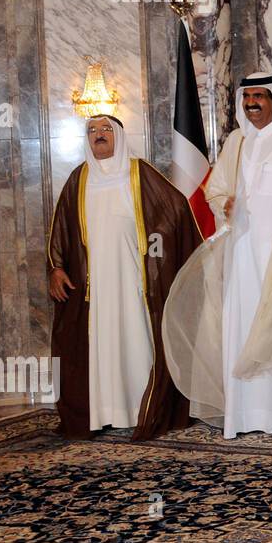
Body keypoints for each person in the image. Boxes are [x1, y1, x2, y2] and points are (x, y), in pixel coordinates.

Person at [163, 72, 272, 440]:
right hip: (241, 253)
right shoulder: (236, 142)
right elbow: (216, 192)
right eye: (247, 97)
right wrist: (226, 203)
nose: (253, 103)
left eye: (260, 96)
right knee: (243, 325)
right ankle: (247, 414)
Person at [48, 115, 201, 439]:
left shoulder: (138, 172)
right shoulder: (79, 179)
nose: (98, 136)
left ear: (118, 135)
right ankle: (103, 412)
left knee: (135, 340)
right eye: (92, 131)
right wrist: (57, 268)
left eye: (105, 130)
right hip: (93, 288)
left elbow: (175, 211)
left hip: (135, 280)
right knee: (98, 344)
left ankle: (139, 408)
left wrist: (161, 256)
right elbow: (61, 227)